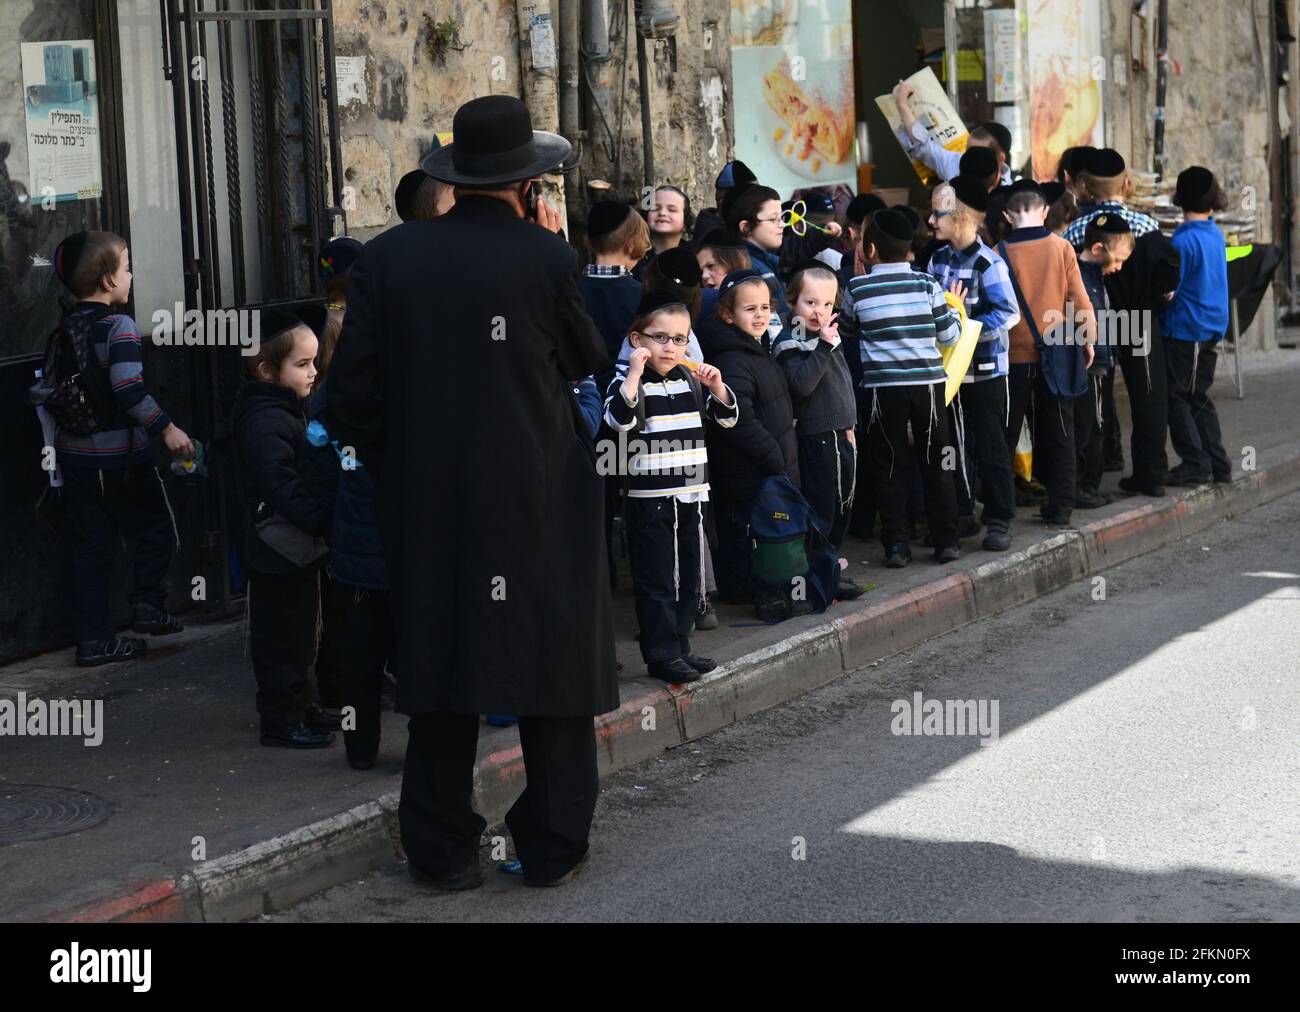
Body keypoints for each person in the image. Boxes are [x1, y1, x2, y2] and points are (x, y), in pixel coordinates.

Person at [328, 95, 616, 890]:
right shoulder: (548, 259)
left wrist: (403, 468)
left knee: (440, 663)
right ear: (529, 183)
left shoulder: (386, 261)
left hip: (429, 501)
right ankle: (553, 844)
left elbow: (350, 398)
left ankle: (441, 848)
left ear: (455, 178)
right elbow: (588, 356)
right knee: (551, 667)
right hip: (539, 493)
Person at [48, 231, 191, 667]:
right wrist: (167, 429)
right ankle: (147, 605)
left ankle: (94, 642)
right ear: (108, 281)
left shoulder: (67, 325)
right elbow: (129, 390)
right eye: (127, 268)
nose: (131, 276)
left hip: (76, 459)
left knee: (90, 550)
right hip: (121, 461)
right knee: (155, 527)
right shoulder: (120, 327)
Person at [603, 292, 738, 683]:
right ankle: (661, 654)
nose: (671, 347)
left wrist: (717, 388)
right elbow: (617, 421)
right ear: (636, 340)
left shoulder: (686, 379)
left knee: (688, 576)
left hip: (693, 495)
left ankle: (680, 646)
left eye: (680, 339)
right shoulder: (625, 381)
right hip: (650, 499)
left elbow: (727, 421)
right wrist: (631, 374)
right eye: (660, 338)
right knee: (657, 578)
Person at [232, 310, 335, 749]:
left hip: (294, 547)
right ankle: (280, 719)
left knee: (302, 633)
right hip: (277, 547)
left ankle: (301, 706)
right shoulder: (265, 419)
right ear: (266, 369)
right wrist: (319, 516)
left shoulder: (287, 408)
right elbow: (280, 482)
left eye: (314, 363)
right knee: (281, 638)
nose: (314, 372)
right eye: (302, 365)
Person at [845, 209, 962, 567]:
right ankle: (946, 542)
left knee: (889, 465)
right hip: (927, 387)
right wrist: (957, 312)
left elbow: (848, 332)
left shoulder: (857, 288)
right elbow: (950, 335)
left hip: (884, 390)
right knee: (938, 461)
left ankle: (896, 546)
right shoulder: (927, 284)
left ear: (871, 249)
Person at [1064, 148, 1180, 497]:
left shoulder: (1077, 230)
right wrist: (1162, 295)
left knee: (1097, 399)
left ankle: (1092, 475)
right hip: (1139, 320)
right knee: (1148, 396)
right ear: (1126, 183)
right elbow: (1169, 268)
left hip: (1096, 322)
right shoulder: (1145, 225)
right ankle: (1151, 473)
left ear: (1085, 187)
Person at [927, 177, 1020, 550]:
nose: (931, 221)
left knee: (991, 444)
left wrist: (967, 327)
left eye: (938, 214)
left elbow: (1008, 313)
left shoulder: (989, 263)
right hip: (950, 373)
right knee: (953, 446)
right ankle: (963, 510)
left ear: (962, 217)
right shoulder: (936, 260)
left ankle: (999, 517)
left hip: (985, 371)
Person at [996, 181, 1096, 526]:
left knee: (1006, 431)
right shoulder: (1061, 247)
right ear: (1043, 212)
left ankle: (1001, 512)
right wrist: (1088, 338)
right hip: (1057, 353)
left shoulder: (998, 252)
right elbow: (1079, 299)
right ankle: (1061, 507)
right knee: (1060, 430)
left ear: (1008, 216)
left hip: (1013, 358)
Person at [697, 270, 799, 602]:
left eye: (765, 307)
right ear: (728, 313)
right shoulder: (732, 358)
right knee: (744, 535)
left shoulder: (757, 349)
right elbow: (740, 422)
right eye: (749, 309)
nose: (760, 316)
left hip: (767, 469)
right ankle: (744, 591)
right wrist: (775, 458)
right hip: (749, 474)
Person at [772, 264, 864, 597]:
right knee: (824, 507)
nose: (819, 312)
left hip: (842, 432)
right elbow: (802, 385)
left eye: (827, 305)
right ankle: (820, 575)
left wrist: (850, 424)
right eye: (810, 303)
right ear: (792, 301)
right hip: (819, 437)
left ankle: (830, 564)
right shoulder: (791, 340)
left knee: (842, 504)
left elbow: (840, 382)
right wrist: (824, 347)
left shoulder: (826, 335)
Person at [1164, 166, 1232, 486]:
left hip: (1188, 328)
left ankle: (1196, 462)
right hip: (1210, 325)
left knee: (1178, 396)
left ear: (1180, 198)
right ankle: (1217, 464)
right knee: (1197, 394)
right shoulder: (1214, 233)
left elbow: (1172, 287)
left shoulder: (1183, 242)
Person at [1076, 214, 1135, 506]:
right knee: (1092, 427)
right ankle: (1086, 487)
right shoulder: (1079, 275)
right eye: (1118, 261)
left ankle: (1088, 484)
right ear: (1099, 250)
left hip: (1102, 360)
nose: (1120, 268)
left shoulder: (1096, 274)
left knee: (1097, 423)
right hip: (1091, 365)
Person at [891, 80, 1014, 186]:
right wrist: (902, 105)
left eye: (976, 154)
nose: (968, 159)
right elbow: (924, 145)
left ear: (1000, 158)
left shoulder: (1008, 194)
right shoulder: (956, 164)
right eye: (967, 152)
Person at [646, 184, 693, 255]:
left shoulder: (696, 257)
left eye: (672, 210)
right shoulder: (629, 254)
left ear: (685, 221)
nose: (662, 213)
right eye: (655, 208)